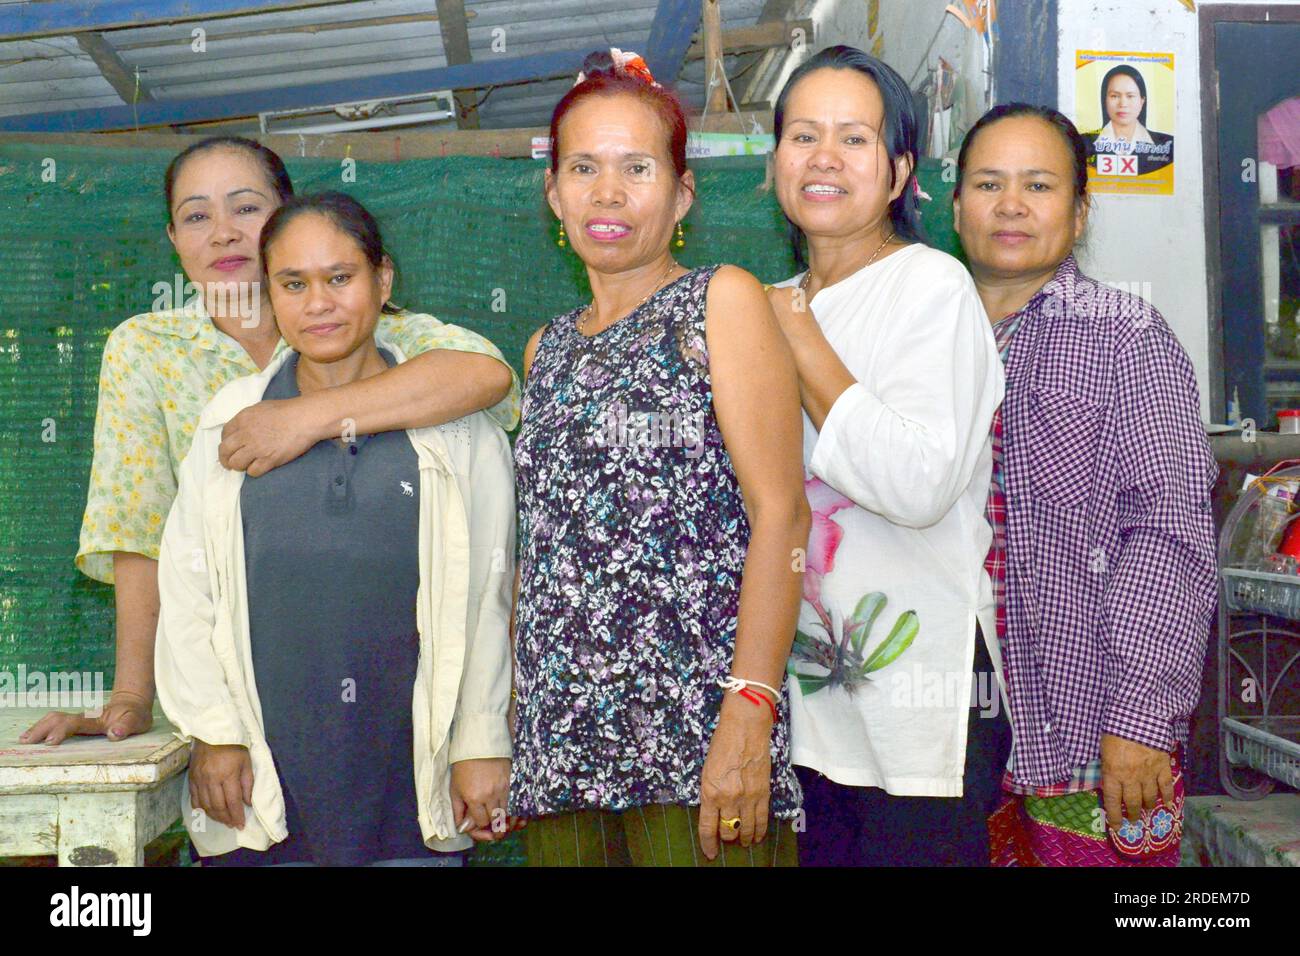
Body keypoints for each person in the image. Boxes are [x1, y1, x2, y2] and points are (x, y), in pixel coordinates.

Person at [20, 136, 518, 748]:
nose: (224, 233)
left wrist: (303, 417)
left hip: (390, 668)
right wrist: (130, 697)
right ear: (173, 238)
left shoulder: (377, 329)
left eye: (246, 208)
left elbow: (488, 376)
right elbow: (140, 530)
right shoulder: (144, 347)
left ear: (286, 214)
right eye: (196, 215)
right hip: (228, 689)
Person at [509, 49, 808, 866]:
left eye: (636, 168)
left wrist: (750, 710)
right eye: (584, 168)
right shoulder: (546, 350)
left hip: (697, 736)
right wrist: (512, 718)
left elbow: (782, 512)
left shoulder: (721, 301)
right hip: (560, 745)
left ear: (680, 195)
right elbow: (538, 554)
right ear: (555, 195)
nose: (607, 192)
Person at [154, 191, 516, 865]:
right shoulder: (231, 419)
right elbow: (187, 592)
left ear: (383, 281)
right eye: (293, 284)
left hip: (409, 779)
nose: (317, 304)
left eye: (339, 278)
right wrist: (214, 733)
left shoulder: (460, 431)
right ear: (270, 292)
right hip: (263, 784)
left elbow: (487, 604)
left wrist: (481, 741)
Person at [952, 103, 1217, 865]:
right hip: (948, 734)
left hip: (1085, 731)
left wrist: (1140, 716)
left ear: (1078, 210)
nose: (1010, 205)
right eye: (988, 183)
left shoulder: (1125, 338)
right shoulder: (924, 337)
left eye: (1038, 184)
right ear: (956, 204)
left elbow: (1168, 534)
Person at [764, 45, 1008, 867]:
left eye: (854, 139)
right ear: (775, 162)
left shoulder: (931, 287)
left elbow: (918, 483)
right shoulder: (768, 306)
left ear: (901, 170)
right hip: (815, 701)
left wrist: (798, 336)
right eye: (802, 136)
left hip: (920, 708)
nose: (823, 157)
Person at [1086, 65, 1174, 175]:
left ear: (1142, 101)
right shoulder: (1083, 143)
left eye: (1130, 96)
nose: (1123, 104)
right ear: (1104, 100)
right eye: (1114, 96)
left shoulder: (1168, 145)